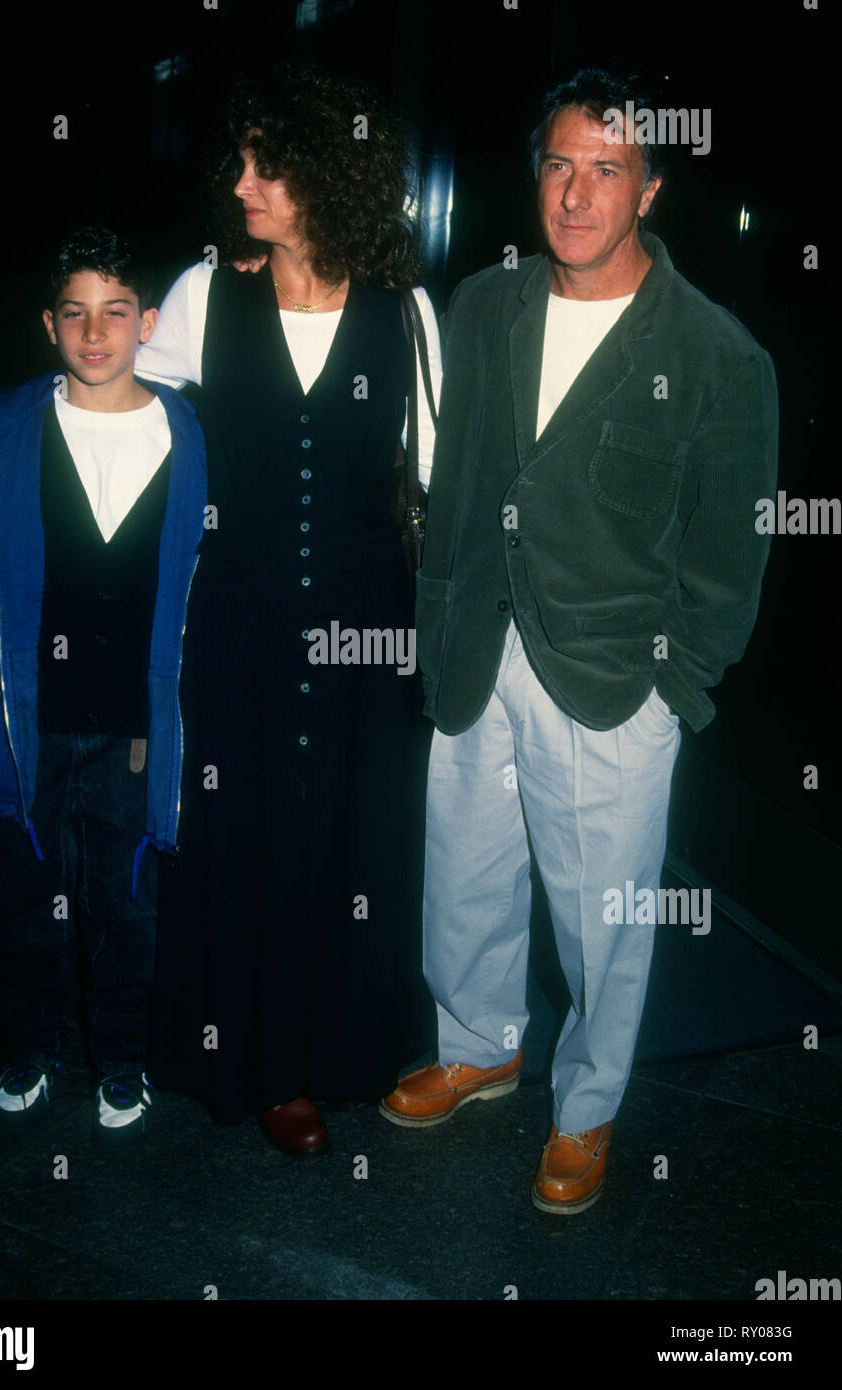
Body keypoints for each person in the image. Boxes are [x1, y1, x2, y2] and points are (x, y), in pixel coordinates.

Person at [380, 70, 778, 1213]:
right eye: (558, 164)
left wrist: (675, 687)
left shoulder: (714, 354)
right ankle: (478, 1041)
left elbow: (729, 550)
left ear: (645, 188)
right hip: (478, 650)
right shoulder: (483, 307)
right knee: (462, 869)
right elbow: (448, 484)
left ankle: (588, 1106)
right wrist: (437, 618)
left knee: (602, 913)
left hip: (611, 680)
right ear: (535, 177)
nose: (575, 191)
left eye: (605, 169)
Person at [137, 64, 442, 1155]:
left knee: (352, 832)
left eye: (268, 164)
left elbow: (438, 473)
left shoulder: (403, 313)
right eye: (241, 162)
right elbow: (118, 414)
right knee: (251, 827)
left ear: (327, 173)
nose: (244, 183)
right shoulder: (201, 294)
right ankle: (263, 1065)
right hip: (241, 613)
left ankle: (350, 1047)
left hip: (368, 624)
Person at [0, 227, 209, 1149]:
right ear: (48, 324)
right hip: (22, 721)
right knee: (24, 899)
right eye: (74, 312)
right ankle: (29, 1047)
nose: (94, 332)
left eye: (116, 312)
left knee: (128, 905)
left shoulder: (189, 435)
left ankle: (122, 1059)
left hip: (136, 729)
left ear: (147, 324)